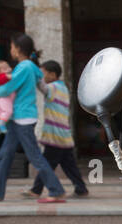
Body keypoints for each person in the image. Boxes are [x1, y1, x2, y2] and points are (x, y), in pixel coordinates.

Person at [0, 34, 66, 203]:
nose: (10, 50)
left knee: (35, 157)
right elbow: (42, 86)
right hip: (20, 118)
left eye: (11, 47)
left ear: (18, 49)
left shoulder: (24, 67)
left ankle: (56, 190)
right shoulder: (32, 67)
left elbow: (9, 88)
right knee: (5, 154)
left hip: (23, 118)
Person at [23, 60, 89, 199]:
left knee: (47, 163)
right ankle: (81, 188)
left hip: (55, 135)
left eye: (43, 73)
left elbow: (43, 88)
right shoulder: (63, 87)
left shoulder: (53, 87)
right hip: (64, 135)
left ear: (52, 75)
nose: (42, 77)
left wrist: (32, 74)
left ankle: (36, 189)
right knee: (69, 166)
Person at [0, 60, 14, 134]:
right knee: (8, 111)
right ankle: (2, 124)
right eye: (5, 68)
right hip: (4, 99)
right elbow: (13, 77)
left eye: (8, 67)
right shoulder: (2, 76)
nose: (8, 69)